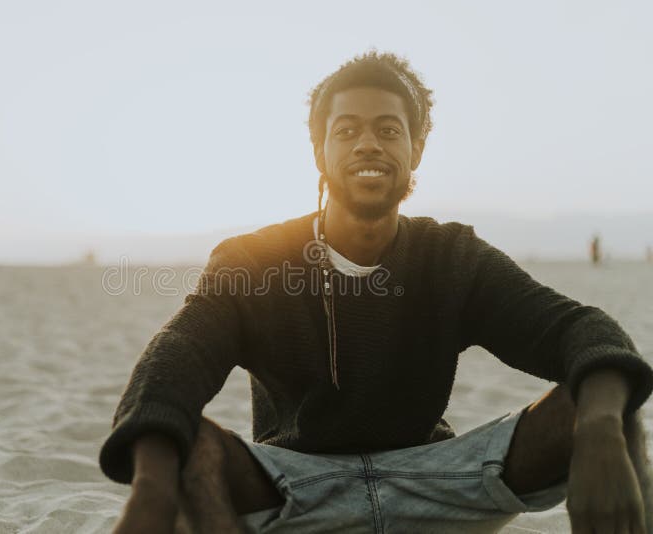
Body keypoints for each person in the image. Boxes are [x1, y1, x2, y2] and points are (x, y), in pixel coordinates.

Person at [99, 51, 653, 533]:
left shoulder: (451, 257)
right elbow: (175, 360)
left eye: (389, 130)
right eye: (347, 130)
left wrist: (601, 426)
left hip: (438, 483)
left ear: (415, 150)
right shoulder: (254, 260)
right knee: (185, 448)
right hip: (294, 491)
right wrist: (150, 490)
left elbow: (582, 331)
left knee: (606, 396)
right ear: (320, 152)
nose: (368, 144)